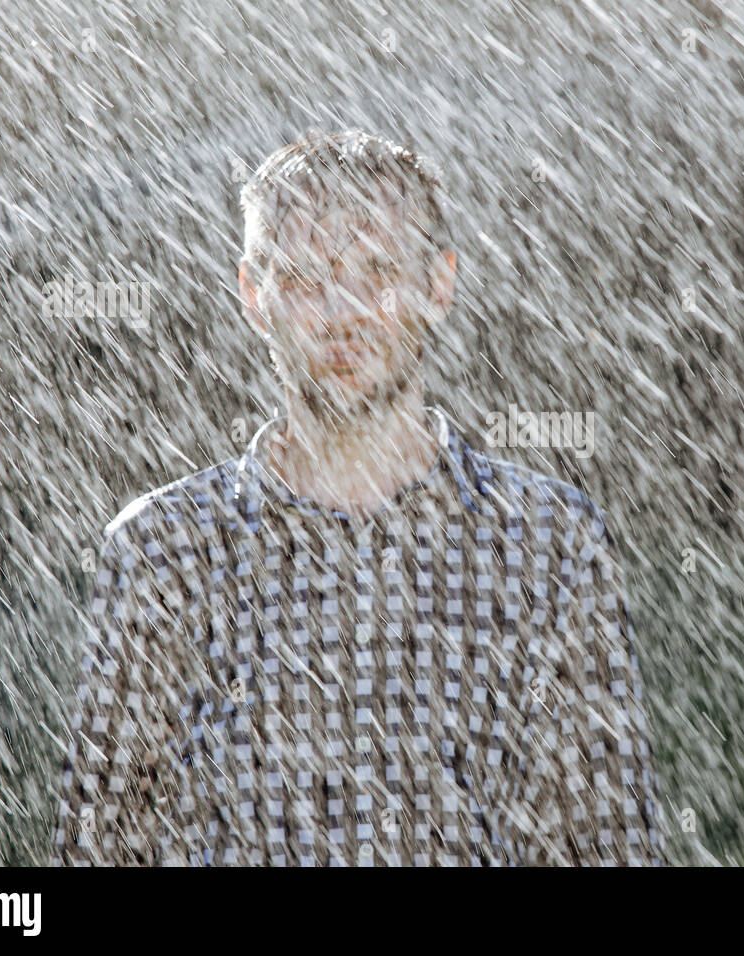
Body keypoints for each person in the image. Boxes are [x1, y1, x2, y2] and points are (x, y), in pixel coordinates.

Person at [50, 128, 664, 866]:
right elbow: (98, 851)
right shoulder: (162, 552)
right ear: (254, 296)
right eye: (306, 279)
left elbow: (608, 847)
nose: (341, 311)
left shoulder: (551, 544)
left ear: (438, 285)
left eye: (375, 270)